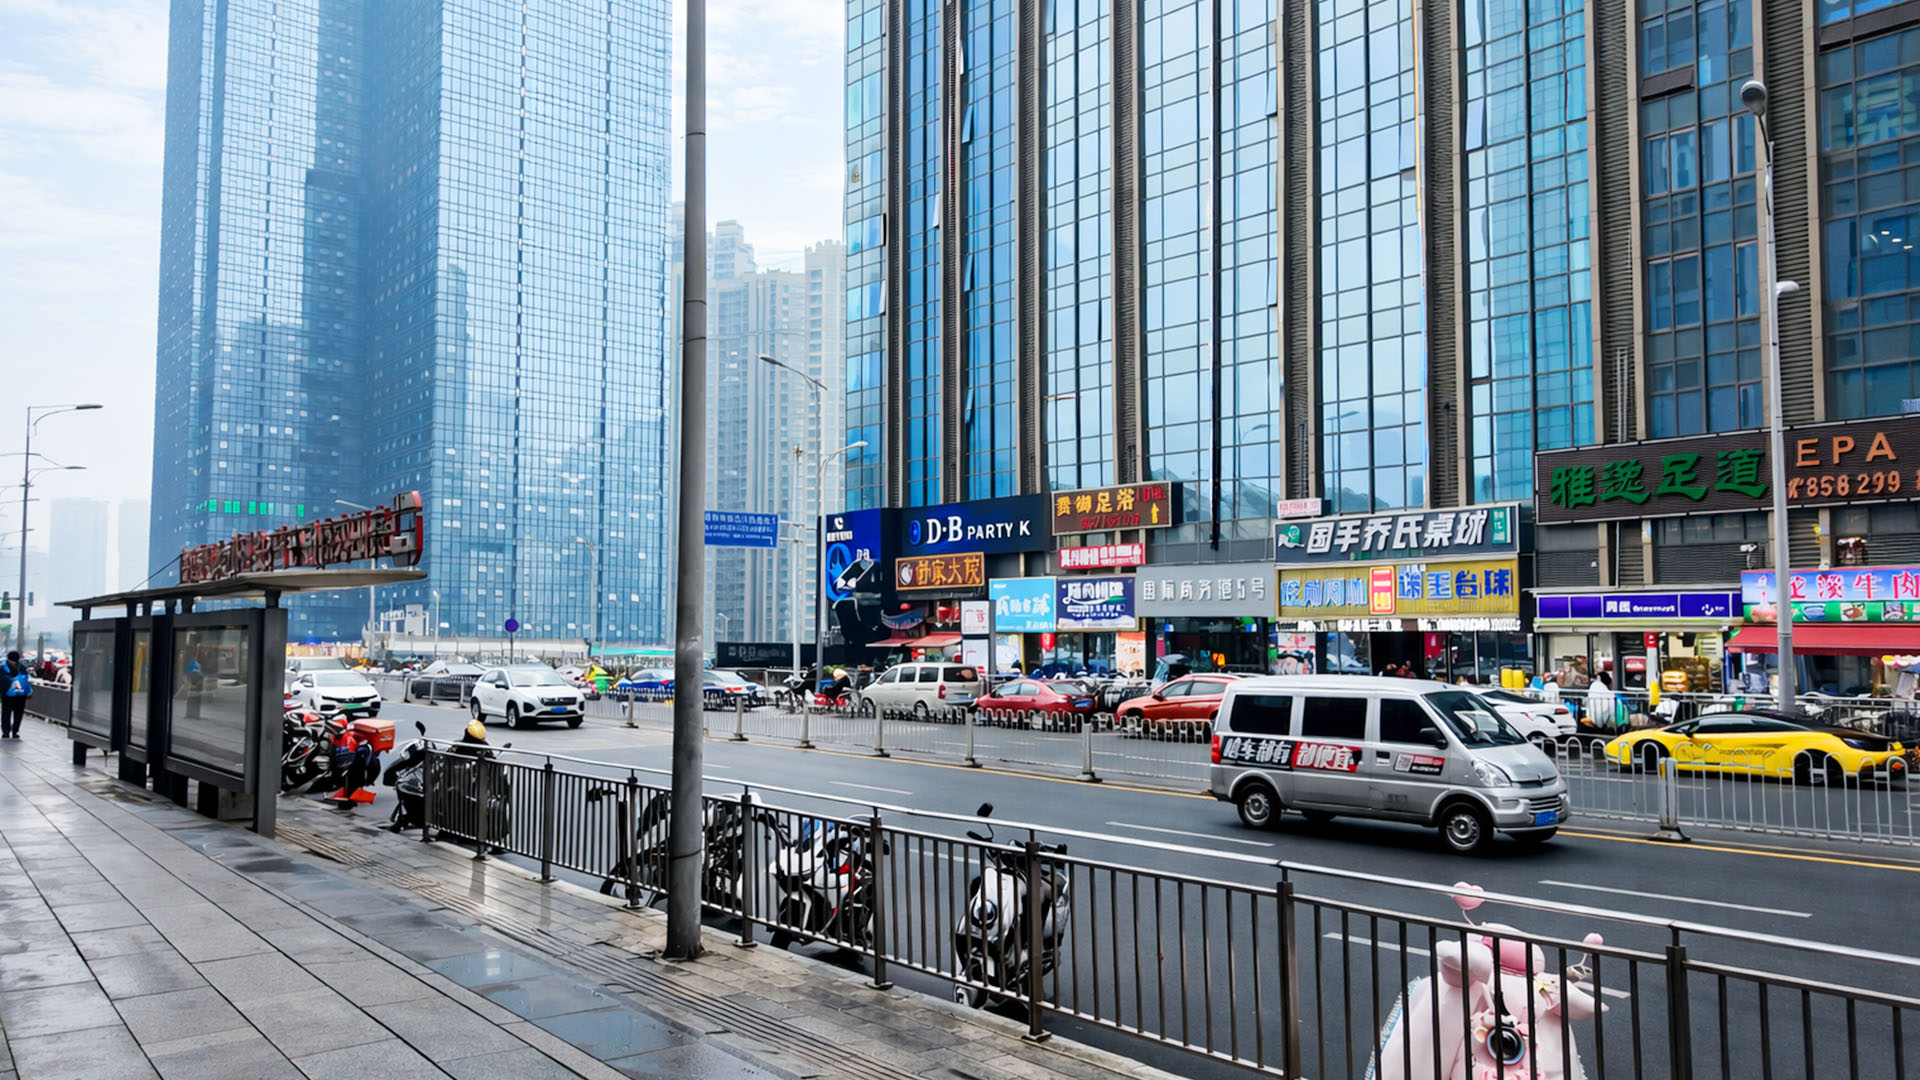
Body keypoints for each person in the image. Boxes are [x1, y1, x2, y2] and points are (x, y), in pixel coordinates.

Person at [2, 650, 31, 738]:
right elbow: (26, 680)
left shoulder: (3, 668)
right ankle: (15, 731)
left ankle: (6, 731)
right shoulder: (22, 668)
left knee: (6, 713)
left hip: (7, 694)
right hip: (20, 695)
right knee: (18, 714)